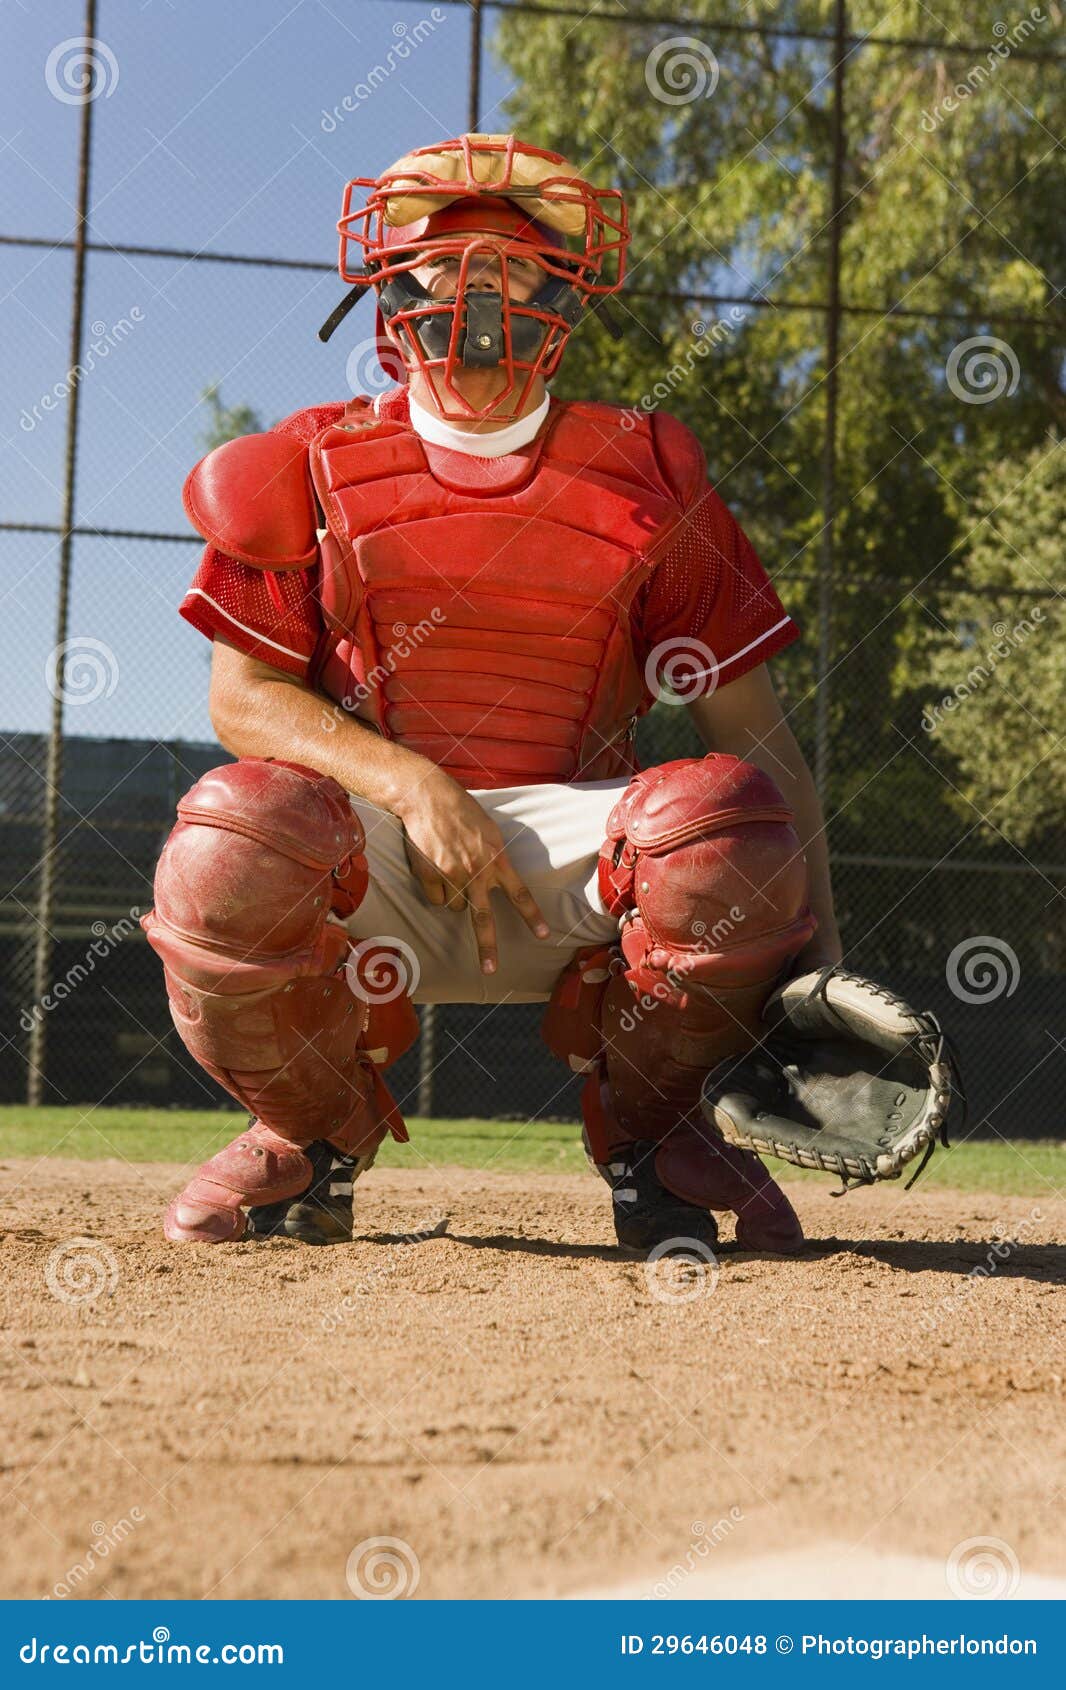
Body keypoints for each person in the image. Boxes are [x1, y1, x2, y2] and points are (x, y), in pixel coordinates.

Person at [143, 132, 842, 1255]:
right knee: (232, 835)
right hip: (371, 863)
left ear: (562, 293)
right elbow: (245, 701)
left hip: (585, 877)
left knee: (723, 823)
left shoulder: (653, 476)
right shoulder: (305, 459)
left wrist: (821, 973)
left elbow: (763, 749)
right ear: (391, 293)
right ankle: (309, 1131)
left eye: (513, 266)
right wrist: (415, 787)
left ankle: (654, 1134)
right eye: (444, 263)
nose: (477, 294)